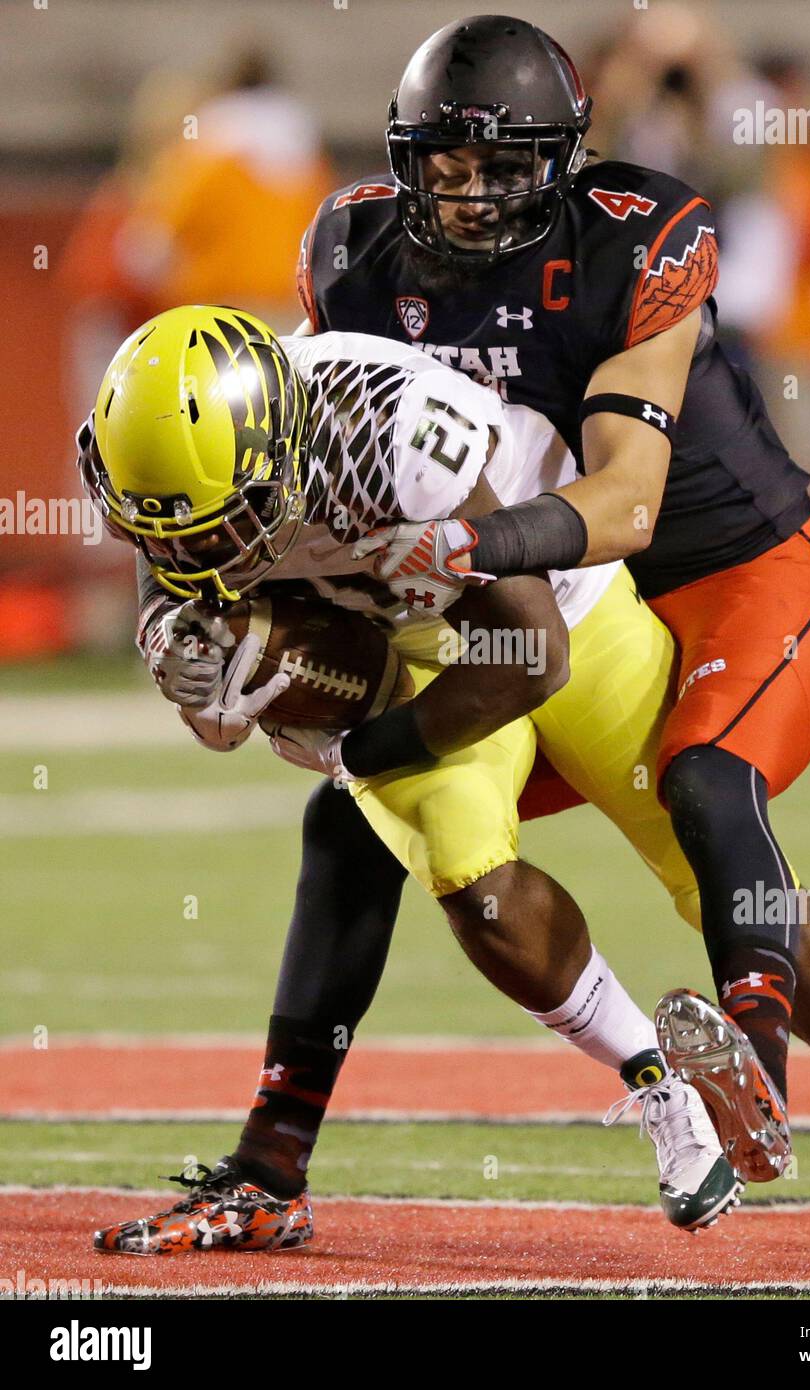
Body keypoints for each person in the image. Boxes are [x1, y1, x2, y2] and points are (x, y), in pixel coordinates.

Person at [280, 14, 810, 1250]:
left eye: (505, 165)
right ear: (402, 156)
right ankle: (274, 1157)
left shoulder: (635, 237)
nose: (472, 193)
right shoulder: (353, 252)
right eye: (443, 161)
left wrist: (469, 547)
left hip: (738, 570)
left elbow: (628, 499)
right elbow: (316, 442)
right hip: (563, 611)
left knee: (714, 788)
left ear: (565, 161)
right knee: (362, 823)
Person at [79, 303, 744, 1252]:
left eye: (220, 529)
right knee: (470, 883)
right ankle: (657, 1082)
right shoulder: (167, 465)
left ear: (279, 456)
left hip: (559, 617)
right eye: (175, 538)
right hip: (411, 641)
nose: (201, 559)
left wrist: (353, 754)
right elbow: (175, 566)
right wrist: (183, 647)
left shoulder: (381, 427)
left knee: (717, 866)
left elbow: (530, 654)